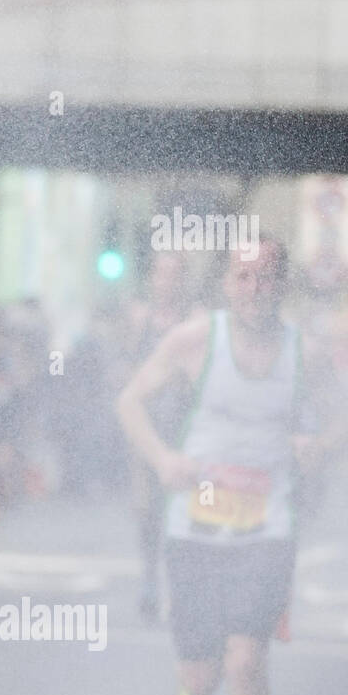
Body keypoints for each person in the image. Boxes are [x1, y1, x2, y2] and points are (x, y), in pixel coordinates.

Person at [115, 237, 325, 695]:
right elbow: (129, 401)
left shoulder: (307, 350)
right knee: (202, 672)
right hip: (196, 526)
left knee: (247, 660)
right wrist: (164, 460)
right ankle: (190, 694)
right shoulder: (195, 339)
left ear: (284, 285)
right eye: (244, 277)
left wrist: (318, 441)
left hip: (268, 526)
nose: (255, 289)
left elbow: (345, 411)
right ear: (228, 284)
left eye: (267, 277)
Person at [122, 250, 200, 622]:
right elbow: (123, 366)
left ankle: (179, 584)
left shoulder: (196, 322)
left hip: (185, 429)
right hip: (147, 428)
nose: (166, 282)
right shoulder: (141, 319)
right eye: (160, 274)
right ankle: (150, 578)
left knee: (182, 510)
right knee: (146, 510)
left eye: (174, 275)